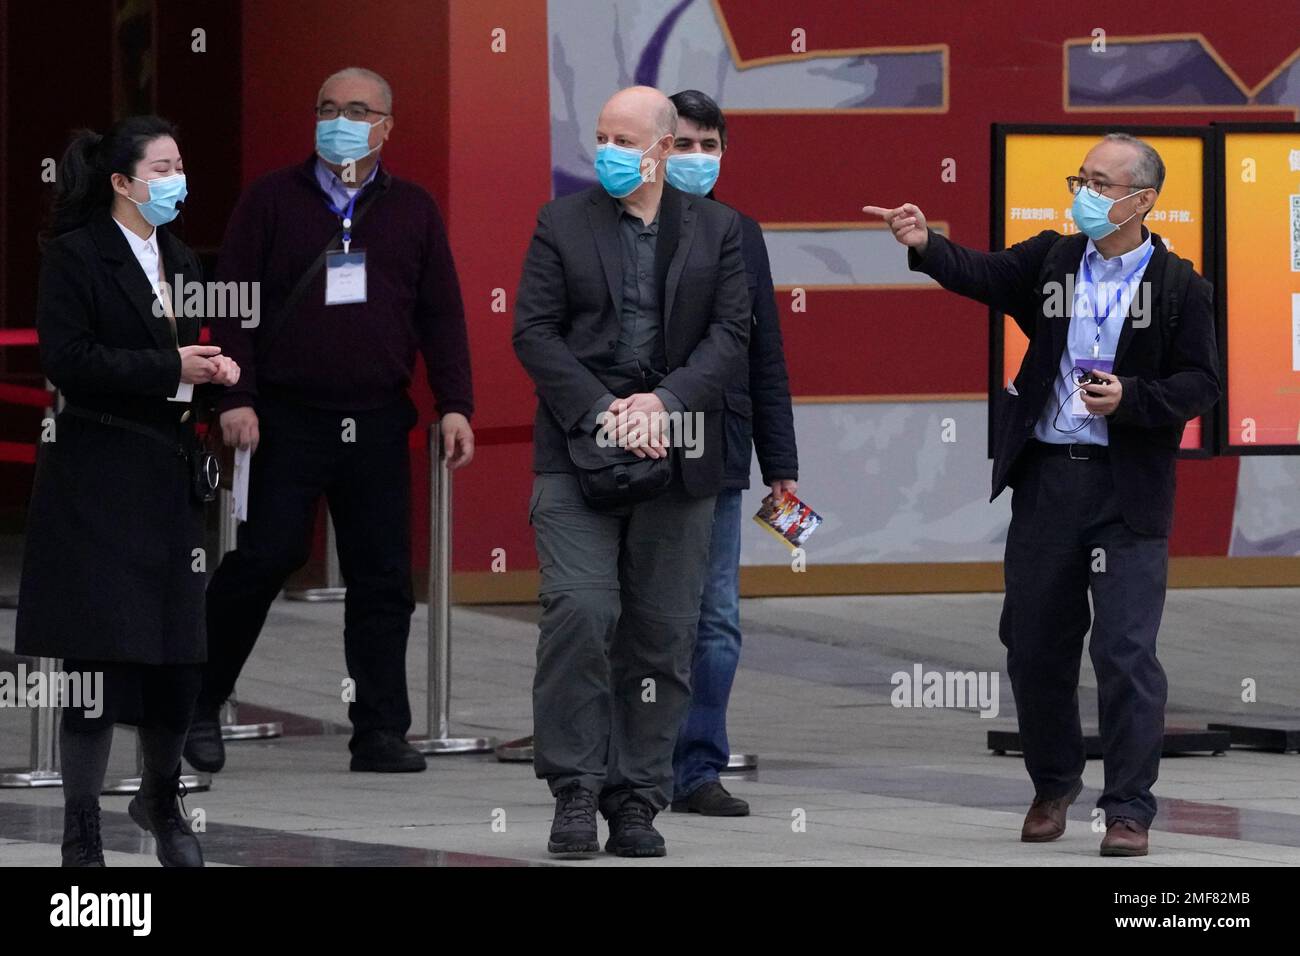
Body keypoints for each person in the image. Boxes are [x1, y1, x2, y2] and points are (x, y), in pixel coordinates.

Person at [865, 133, 1220, 857]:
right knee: (1033, 645)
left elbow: (1202, 386)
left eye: (1099, 182)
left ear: (1142, 200)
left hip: (1128, 492)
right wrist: (925, 242)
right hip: (1050, 478)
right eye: (1079, 178)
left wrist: (1134, 398)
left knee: (1124, 652)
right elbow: (981, 273)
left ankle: (1128, 809)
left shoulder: (1181, 287)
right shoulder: (1052, 260)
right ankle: (1054, 784)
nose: (1082, 193)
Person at [184, 67, 475, 775]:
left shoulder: (412, 209)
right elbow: (236, 301)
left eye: (355, 109)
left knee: (382, 578)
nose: (338, 120)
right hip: (285, 415)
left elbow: (440, 313)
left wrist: (456, 403)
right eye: (326, 108)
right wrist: (236, 394)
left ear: (386, 126)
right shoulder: (272, 200)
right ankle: (197, 702)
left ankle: (379, 730)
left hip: (377, 419)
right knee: (262, 559)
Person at [513, 86, 750, 857]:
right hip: (577, 451)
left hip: (678, 456)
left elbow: (732, 332)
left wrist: (665, 400)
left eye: (625, 138)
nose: (608, 150)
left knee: (663, 634)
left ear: (661, 145)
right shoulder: (561, 223)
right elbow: (535, 333)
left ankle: (637, 798)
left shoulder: (718, 230)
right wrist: (606, 409)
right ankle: (575, 789)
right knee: (580, 613)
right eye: (601, 135)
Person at [17, 116, 240, 867]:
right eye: (164, 167)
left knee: (177, 653)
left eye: (181, 165)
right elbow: (69, 360)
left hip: (169, 476)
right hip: (96, 476)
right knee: (96, 656)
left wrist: (211, 376)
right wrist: (172, 367)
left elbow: (181, 362)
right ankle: (81, 825)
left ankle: (162, 793)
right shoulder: (75, 257)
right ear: (122, 181)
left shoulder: (180, 257)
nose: (177, 180)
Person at [664, 90, 798, 817]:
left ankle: (698, 767)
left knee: (716, 617)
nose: (696, 159)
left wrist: (781, 463)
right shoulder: (620, 224)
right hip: (636, 446)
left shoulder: (742, 232)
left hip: (717, 449)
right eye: (682, 144)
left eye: (708, 146)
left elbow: (764, 352)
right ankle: (633, 763)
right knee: (640, 614)